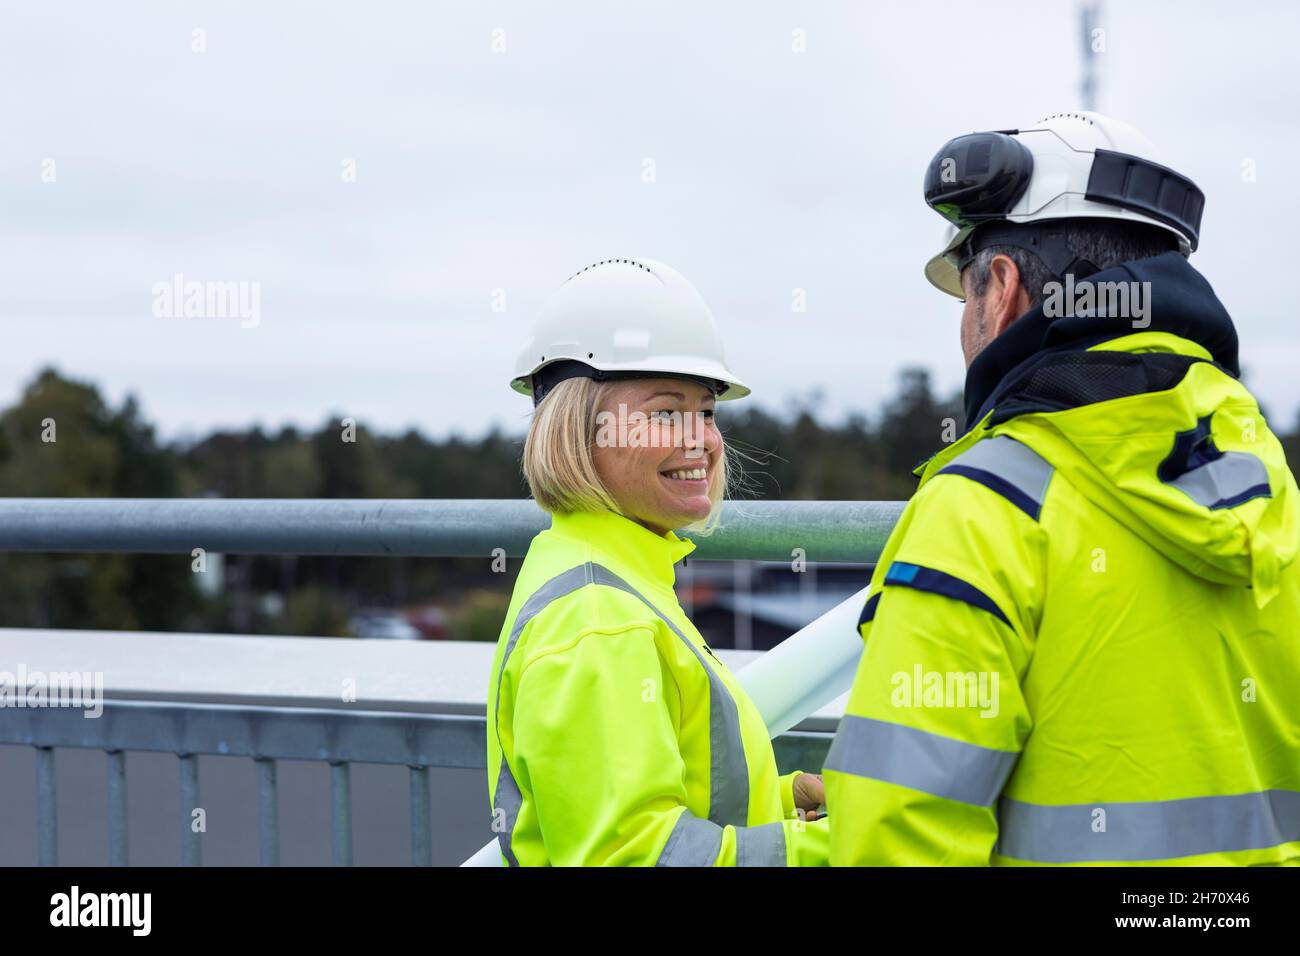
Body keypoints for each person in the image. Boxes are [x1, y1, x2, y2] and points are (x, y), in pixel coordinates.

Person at [824, 112, 1300, 865]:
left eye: (966, 298)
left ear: (1004, 288)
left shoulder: (982, 503)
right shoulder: (1273, 489)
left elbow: (894, 838)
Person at [487, 256, 830, 866]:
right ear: (578, 431)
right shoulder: (599, 621)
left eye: (706, 411)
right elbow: (637, 857)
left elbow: (662, 813)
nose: (701, 439)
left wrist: (785, 802)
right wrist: (850, 847)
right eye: (665, 412)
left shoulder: (610, 577)